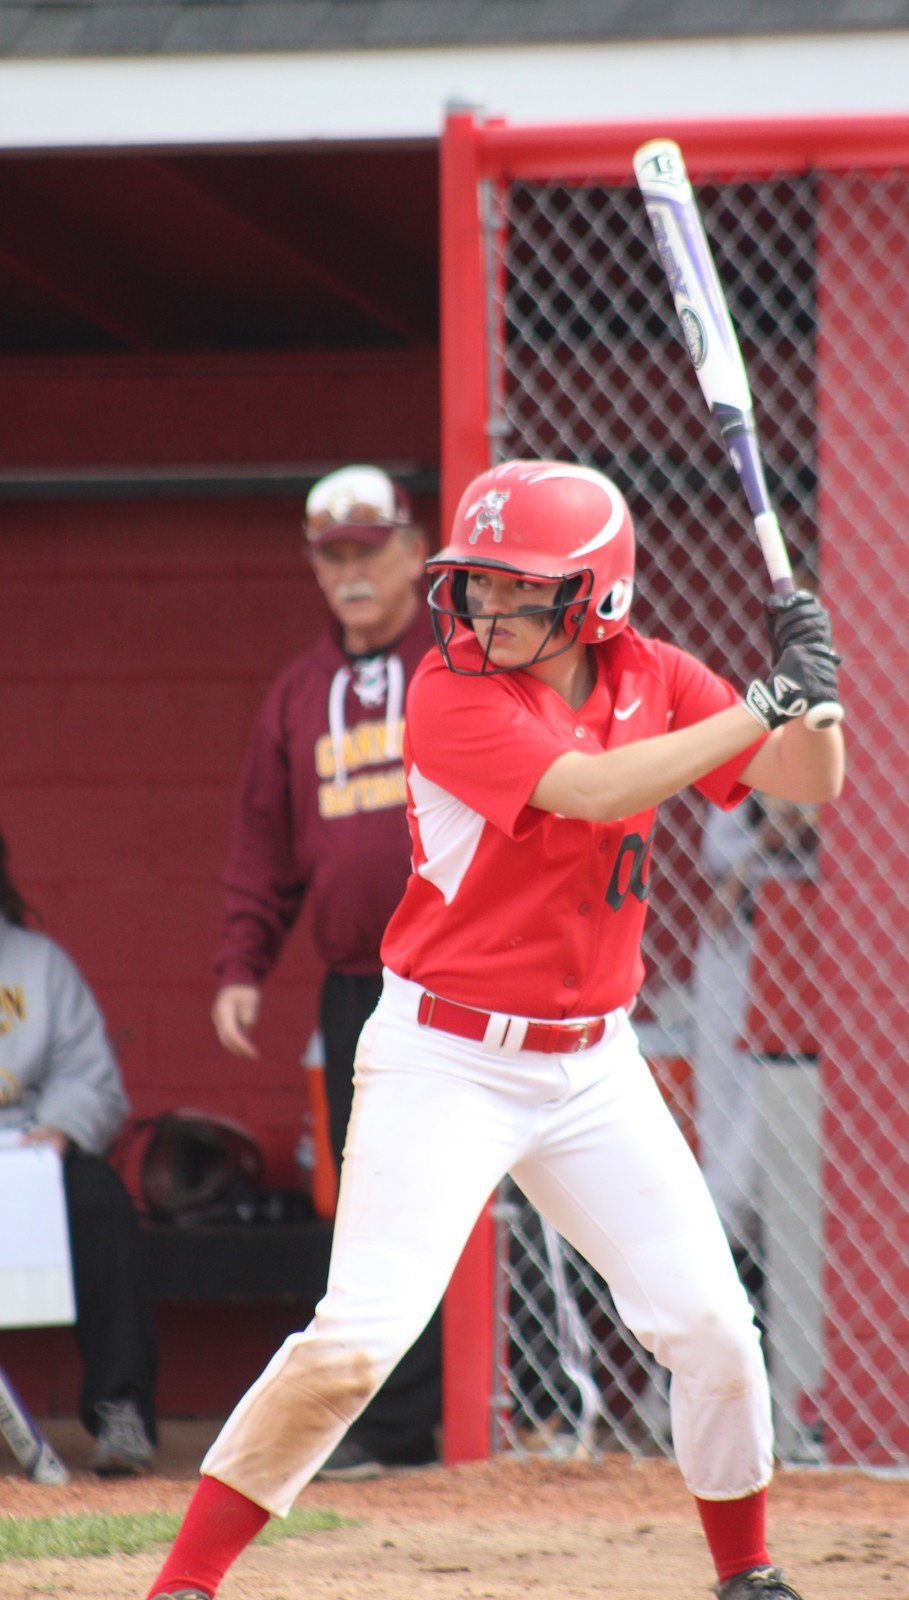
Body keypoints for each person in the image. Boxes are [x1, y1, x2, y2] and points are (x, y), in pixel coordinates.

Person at [145, 457, 844, 1600]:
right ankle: (184, 1582)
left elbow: (810, 778)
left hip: (589, 1066)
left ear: (596, 597)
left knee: (714, 1325)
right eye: (476, 585)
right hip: (445, 1058)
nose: (488, 610)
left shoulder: (656, 674)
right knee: (357, 1338)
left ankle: (746, 1571)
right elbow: (599, 790)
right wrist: (754, 710)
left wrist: (814, 689)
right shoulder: (448, 692)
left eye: (522, 589)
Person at [209, 464, 442, 1481]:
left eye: (370, 550)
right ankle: (392, 1432)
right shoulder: (299, 693)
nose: (351, 572)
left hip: (464, 982)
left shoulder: (457, 664)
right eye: (333, 555)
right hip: (354, 984)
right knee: (373, 1202)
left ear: (414, 550)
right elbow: (263, 842)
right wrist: (241, 962)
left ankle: (507, 1412)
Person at [0, 829, 157, 1475]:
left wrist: (61, 1132)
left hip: (26, 1154)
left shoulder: (37, 964)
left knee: (99, 1197)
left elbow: (90, 1076)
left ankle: (121, 1412)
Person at [691, 794, 820, 1286]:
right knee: (720, 1110)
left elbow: (813, 842)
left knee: (759, 1118)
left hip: (798, 952)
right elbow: (720, 866)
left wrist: (795, 827)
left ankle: (721, 1238)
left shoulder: (823, 757)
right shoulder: (742, 765)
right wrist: (759, 850)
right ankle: (722, 1241)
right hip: (738, 947)